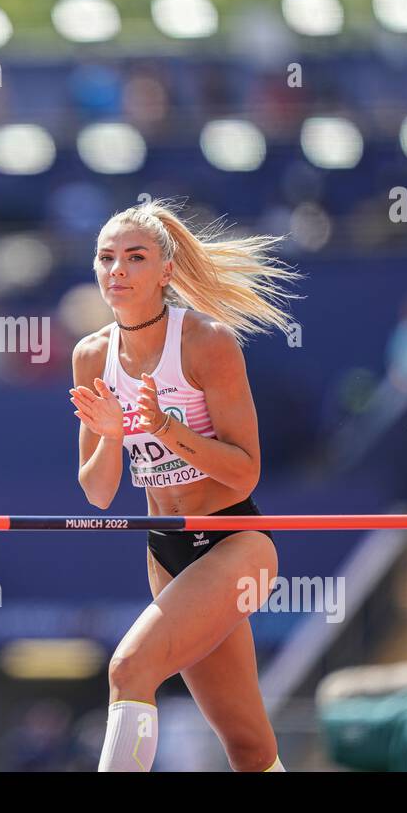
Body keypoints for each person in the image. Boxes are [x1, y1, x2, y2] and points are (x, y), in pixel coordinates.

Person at [69, 199, 303, 772]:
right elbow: (98, 493)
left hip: (236, 542)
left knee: (129, 669)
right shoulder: (92, 356)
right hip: (166, 550)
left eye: (134, 257)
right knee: (249, 746)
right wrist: (110, 436)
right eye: (106, 258)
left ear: (166, 270)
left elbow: (246, 470)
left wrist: (165, 430)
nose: (116, 270)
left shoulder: (206, 342)